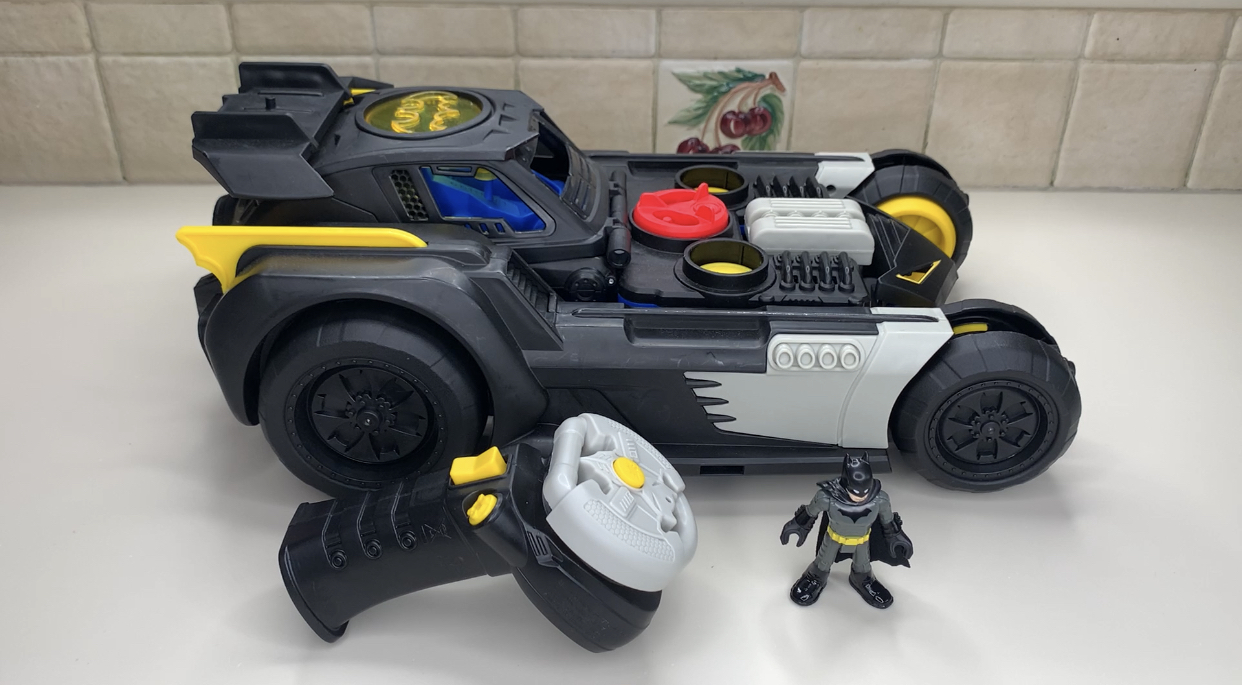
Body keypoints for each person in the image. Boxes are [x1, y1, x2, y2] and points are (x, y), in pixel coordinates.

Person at [779, 455, 913, 608]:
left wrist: (896, 536)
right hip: (833, 538)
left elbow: (888, 523)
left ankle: (863, 579)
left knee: (862, 566)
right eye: (855, 491)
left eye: (865, 491)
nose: (860, 496)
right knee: (822, 563)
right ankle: (815, 578)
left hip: (862, 541)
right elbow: (809, 513)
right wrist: (797, 525)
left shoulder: (879, 500)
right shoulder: (827, 498)